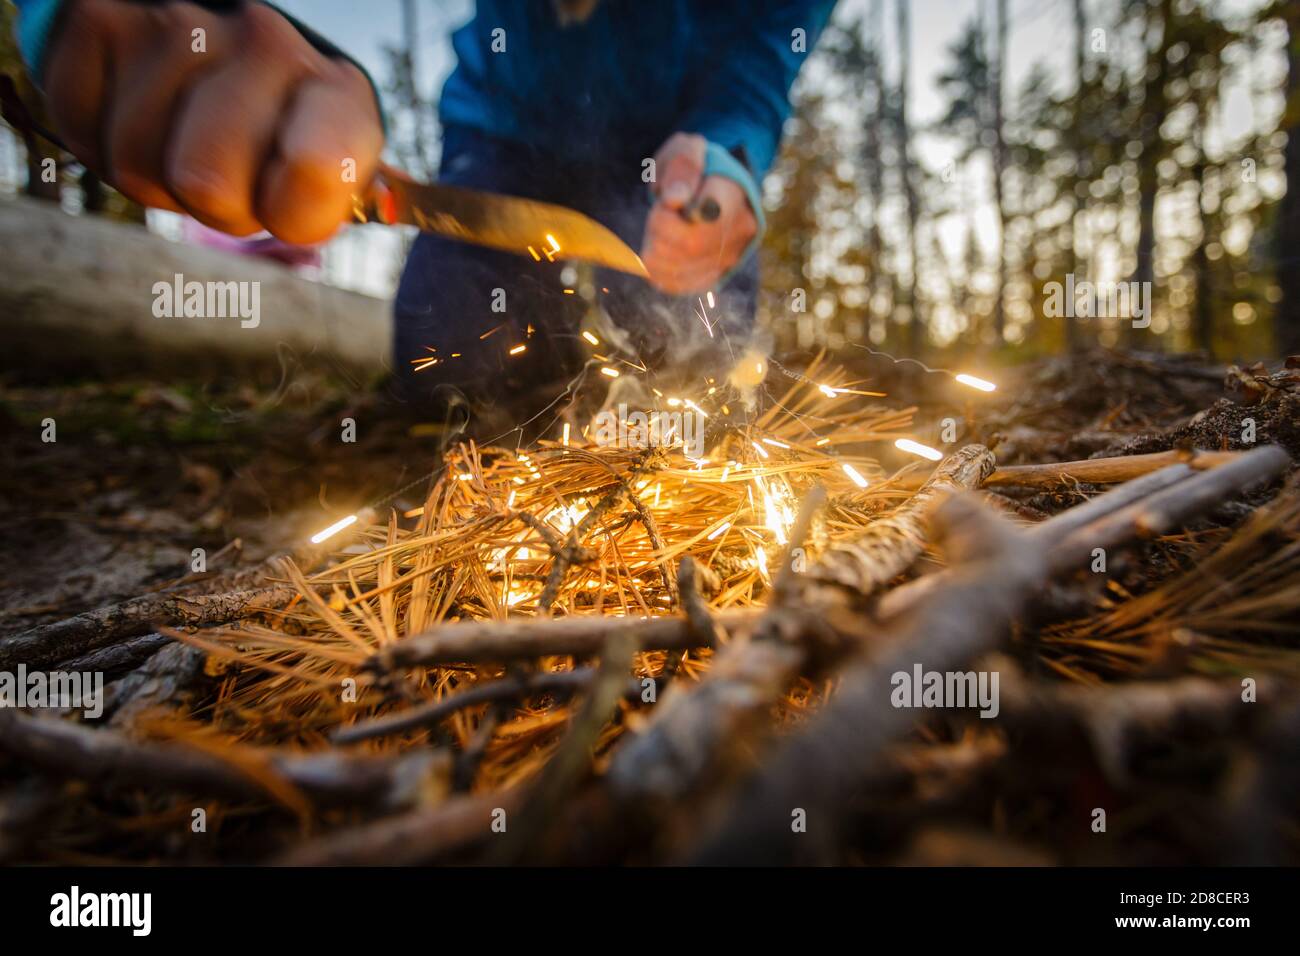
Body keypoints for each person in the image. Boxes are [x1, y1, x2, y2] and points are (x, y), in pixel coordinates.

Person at [11, 0, 835, 421]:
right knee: (452, 362)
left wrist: (726, 160)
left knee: (692, 355)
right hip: (500, 142)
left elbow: (762, 60)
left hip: (669, 163)